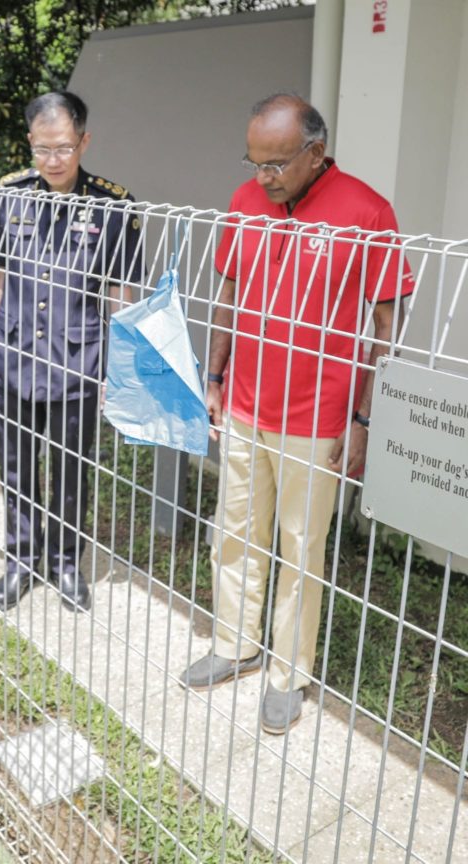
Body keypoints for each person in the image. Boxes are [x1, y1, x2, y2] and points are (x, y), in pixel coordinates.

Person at [179, 93, 414, 734]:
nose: (264, 176)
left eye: (278, 163)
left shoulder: (367, 212)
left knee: (301, 548)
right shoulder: (245, 202)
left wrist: (363, 419)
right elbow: (229, 291)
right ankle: (234, 644)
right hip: (247, 404)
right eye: (255, 162)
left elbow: (387, 325)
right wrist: (217, 377)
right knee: (234, 531)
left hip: (319, 418)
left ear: (315, 152)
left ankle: (289, 672)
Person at [0, 91, 143, 613]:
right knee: (17, 465)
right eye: (43, 149)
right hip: (15, 353)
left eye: (65, 149)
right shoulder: (9, 195)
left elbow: (122, 294)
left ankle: (66, 562)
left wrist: (120, 366)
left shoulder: (115, 205)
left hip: (80, 360)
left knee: (72, 469)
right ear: (30, 143)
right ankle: (20, 561)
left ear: (84, 141)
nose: (53, 161)